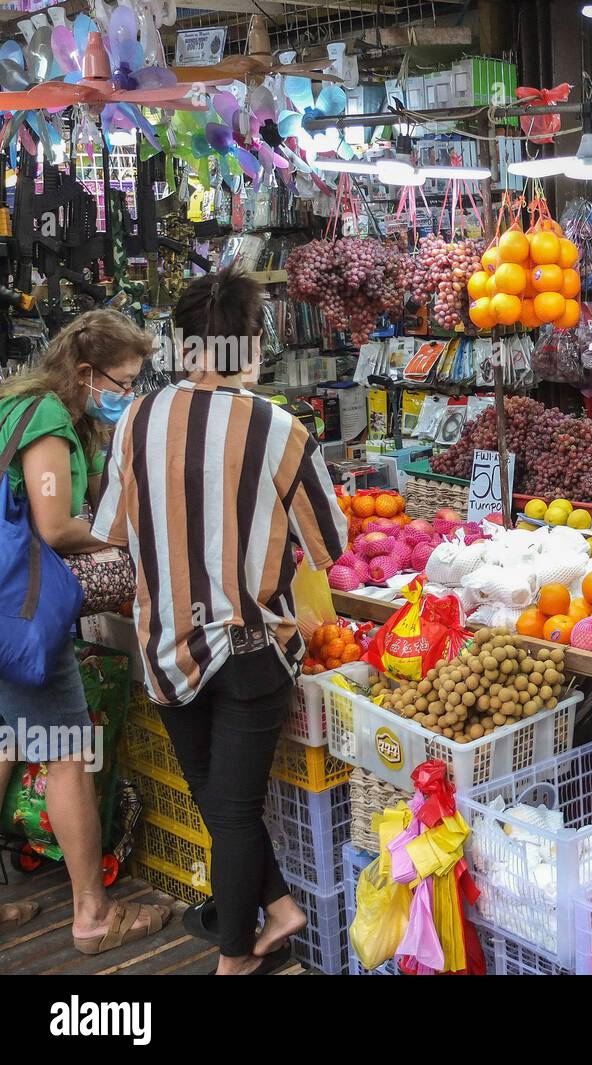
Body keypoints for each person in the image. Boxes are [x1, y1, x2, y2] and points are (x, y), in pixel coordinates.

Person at [93, 268, 348, 975]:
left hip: (165, 647)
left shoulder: (138, 419)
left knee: (217, 798)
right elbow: (332, 544)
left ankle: (267, 921)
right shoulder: (279, 428)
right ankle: (241, 952)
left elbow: (113, 527)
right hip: (249, 649)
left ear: (180, 342)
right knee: (232, 809)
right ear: (253, 343)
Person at [0, 310, 172, 952]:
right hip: (19, 615)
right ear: (83, 372)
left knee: (5, 741)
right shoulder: (47, 417)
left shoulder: (21, 407)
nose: (126, 393)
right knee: (68, 753)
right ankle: (93, 918)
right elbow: (53, 527)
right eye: (122, 382)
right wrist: (118, 545)